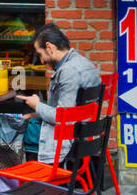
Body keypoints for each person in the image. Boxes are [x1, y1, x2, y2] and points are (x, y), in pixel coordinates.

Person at [18, 23, 102, 163]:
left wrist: (37, 105)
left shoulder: (69, 71)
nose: (41, 60)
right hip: (82, 133)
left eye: (40, 54)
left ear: (49, 47)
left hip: (67, 140)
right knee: (29, 120)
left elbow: (63, 117)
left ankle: (26, 179)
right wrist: (38, 113)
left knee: (18, 131)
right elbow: (72, 110)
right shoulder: (83, 62)